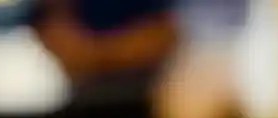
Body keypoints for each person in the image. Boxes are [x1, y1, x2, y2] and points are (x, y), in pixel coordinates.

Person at [31, 0, 181, 84]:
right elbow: (66, 48)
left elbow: (165, 38)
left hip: (152, 90)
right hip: (82, 99)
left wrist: (95, 54)